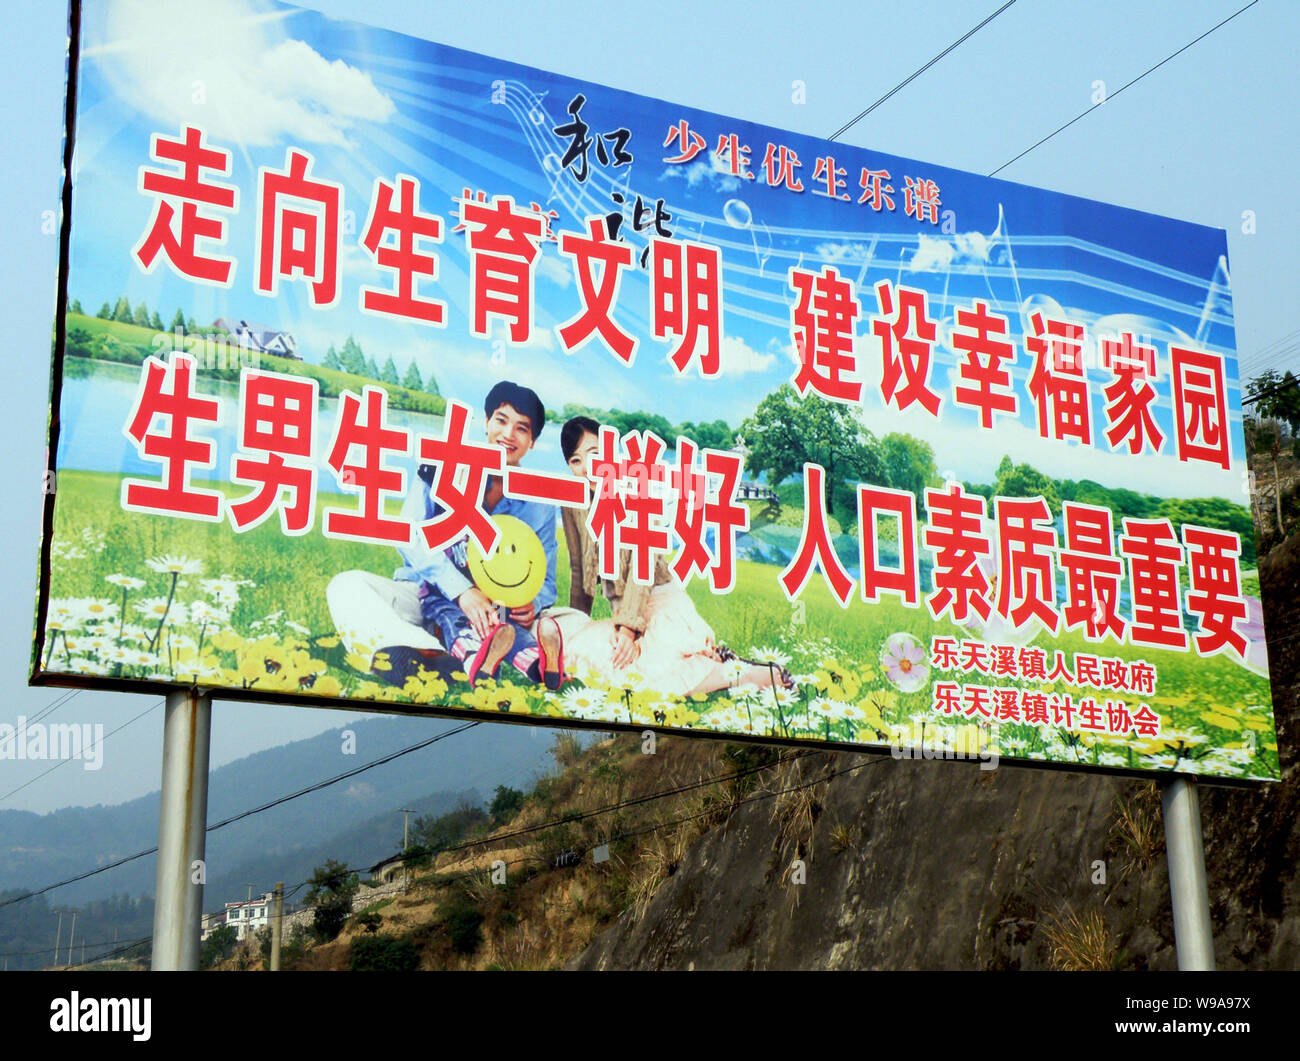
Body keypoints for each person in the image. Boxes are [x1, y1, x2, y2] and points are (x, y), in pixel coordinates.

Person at [328, 381, 562, 688]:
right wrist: (462, 591)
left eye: (522, 428)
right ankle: (425, 654)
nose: (508, 434)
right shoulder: (442, 465)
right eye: (501, 421)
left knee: (566, 622)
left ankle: (502, 657)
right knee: (346, 586)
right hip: (423, 594)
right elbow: (410, 534)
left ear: (532, 442)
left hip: (496, 614)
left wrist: (530, 603)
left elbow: (546, 581)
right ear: (487, 422)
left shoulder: (539, 504)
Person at [558, 415, 791, 696]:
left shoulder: (637, 492)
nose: (586, 468)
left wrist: (629, 631)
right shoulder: (572, 504)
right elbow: (578, 571)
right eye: (575, 460)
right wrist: (579, 625)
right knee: (576, 651)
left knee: (652, 673)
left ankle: (752, 673)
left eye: (595, 455)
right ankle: (713, 660)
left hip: (659, 604)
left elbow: (640, 569)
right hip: (622, 615)